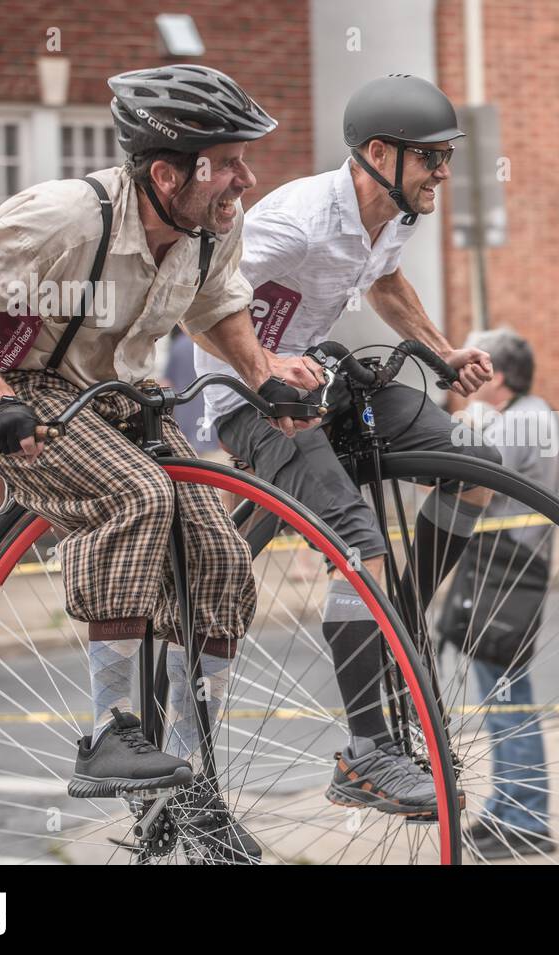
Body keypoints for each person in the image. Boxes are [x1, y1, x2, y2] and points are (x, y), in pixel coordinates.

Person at [0, 64, 306, 861]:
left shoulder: (209, 228)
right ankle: (109, 734)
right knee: (136, 496)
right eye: (227, 162)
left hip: (112, 394)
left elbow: (218, 307)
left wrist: (267, 378)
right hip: (22, 391)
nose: (245, 178)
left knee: (223, 558)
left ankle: (189, 785)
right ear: (166, 173)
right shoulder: (65, 218)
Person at [191, 74, 501, 816]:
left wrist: (443, 352)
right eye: (431, 158)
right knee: (358, 542)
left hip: (323, 380)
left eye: (446, 157)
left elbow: (385, 279)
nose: (443, 172)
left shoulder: (391, 215)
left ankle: (392, 614)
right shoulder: (295, 220)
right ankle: (367, 758)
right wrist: (263, 370)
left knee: (477, 470)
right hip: (249, 399)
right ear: (379, 154)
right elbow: (198, 298)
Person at [436, 328, 559, 859]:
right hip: (500, 565)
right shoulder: (523, 414)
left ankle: (526, 816)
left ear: (500, 378)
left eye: (476, 363)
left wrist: (462, 415)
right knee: (499, 692)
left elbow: (468, 466)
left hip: (510, 567)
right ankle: (506, 807)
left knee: (509, 694)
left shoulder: (527, 419)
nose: (463, 375)